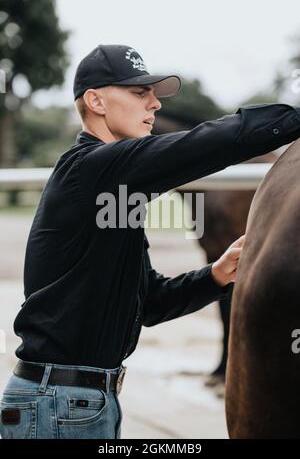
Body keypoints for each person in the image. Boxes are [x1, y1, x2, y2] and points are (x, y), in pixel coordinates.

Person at [1, 44, 300, 440]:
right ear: (96, 101)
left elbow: (149, 300)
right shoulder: (92, 169)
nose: (155, 105)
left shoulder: (116, 192)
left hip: (78, 403)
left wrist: (214, 275)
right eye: (140, 94)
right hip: (57, 405)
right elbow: (212, 143)